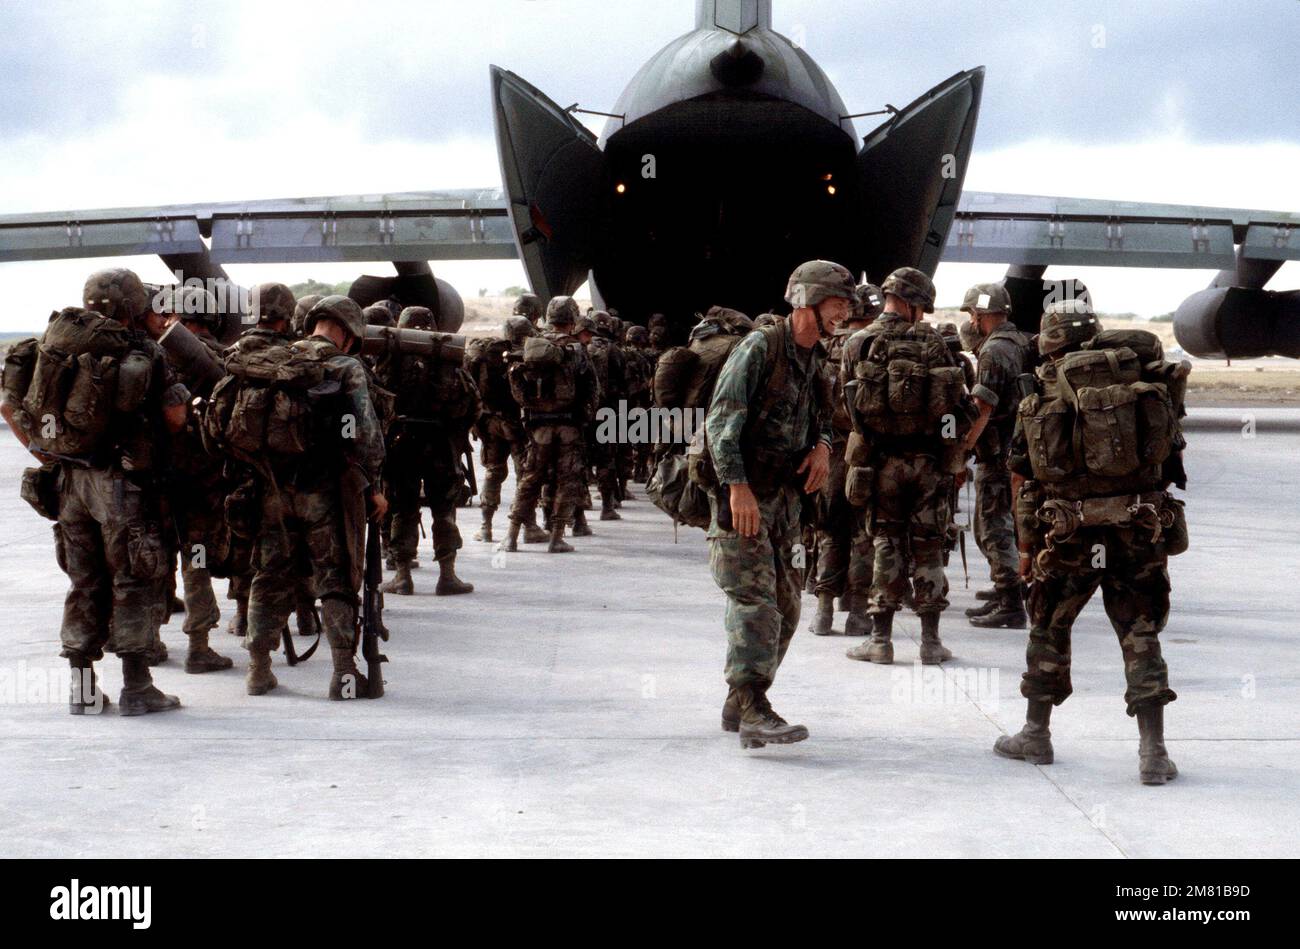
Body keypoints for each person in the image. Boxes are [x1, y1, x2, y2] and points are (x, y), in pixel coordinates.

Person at [995, 299, 1187, 785]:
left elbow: (1022, 474)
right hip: (1137, 529)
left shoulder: (1043, 387)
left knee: (1048, 626)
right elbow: (1170, 459)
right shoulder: (1144, 381)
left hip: (1069, 533)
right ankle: (1153, 752)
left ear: (1051, 339)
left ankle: (1035, 736)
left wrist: (1023, 545)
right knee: (1140, 632)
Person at [1, 268, 189, 715]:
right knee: (133, 579)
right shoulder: (140, 350)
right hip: (122, 487)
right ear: (132, 305)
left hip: (69, 484)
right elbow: (176, 417)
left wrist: (47, 453)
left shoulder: (54, 343)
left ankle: (83, 690)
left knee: (84, 582)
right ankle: (137, 687)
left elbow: (10, 404)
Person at [706, 260, 852, 748]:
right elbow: (721, 421)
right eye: (838, 303)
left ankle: (740, 701)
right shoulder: (759, 348)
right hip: (745, 499)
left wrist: (825, 448)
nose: (845, 312)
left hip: (787, 504)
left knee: (789, 606)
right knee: (755, 604)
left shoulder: (818, 360)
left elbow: (827, 419)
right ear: (808, 299)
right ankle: (753, 706)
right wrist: (736, 487)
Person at [241, 295, 388, 699]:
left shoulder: (277, 360)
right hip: (326, 492)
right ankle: (343, 672)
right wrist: (374, 488)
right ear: (347, 332)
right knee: (336, 577)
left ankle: (258, 670)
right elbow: (367, 437)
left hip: (272, 489)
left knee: (269, 576)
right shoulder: (345, 367)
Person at [843, 267, 968, 666]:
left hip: (881, 465)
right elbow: (954, 410)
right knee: (930, 545)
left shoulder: (859, 341)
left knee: (886, 542)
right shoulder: (936, 343)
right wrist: (947, 447)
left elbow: (847, 409)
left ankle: (880, 640)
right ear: (916, 304)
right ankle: (931, 642)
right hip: (929, 465)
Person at [158, 285, 236, 674]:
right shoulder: (222, 358)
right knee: (198, 558)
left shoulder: (155, 355)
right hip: (204, 482)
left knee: (157, 556)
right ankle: (199, 646)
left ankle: (151, 641)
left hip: (155, 476)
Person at [377, 306, 479, 597]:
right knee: (444, 509)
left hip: (401, 444)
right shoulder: (447, 359)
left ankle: (402, 576)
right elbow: (473, 403)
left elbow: (376, 400)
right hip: (441, 444)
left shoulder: (389, 359)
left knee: (402, 509)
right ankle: (448, 576)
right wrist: (457, 437)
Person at [809, 282, 883, 637]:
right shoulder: (881, 345)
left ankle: (823, 610)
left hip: (831, 449)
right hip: (870, 451)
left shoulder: (823, 347)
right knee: (863, 533)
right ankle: (858, 612)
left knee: (830, 532)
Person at [958, 283, 1034, 629]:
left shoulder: (993, 351)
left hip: (998, 453)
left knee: (992, 528)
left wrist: (960, 450)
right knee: (1002, 523)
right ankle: (1009, 588)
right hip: (1019, 448)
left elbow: (982, 407)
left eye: (972, 313)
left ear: (981, 315)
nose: (971, 319)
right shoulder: (1020, 341)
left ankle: (1010, 601)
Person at [501, 296, 599, 553]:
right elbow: (592, 389)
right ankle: (556, 537)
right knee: (568, 480)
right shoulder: (577, 349)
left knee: (530, 479)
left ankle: (511, 536)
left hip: (538, 426)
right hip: (569, 427)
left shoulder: (533, 346)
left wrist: (530, 410)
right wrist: (585, 418)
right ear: (573, 318)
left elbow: (516, 387)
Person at [466, 316, 547, 545]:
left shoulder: (488, 354)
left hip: (490, 423)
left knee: (493, 471)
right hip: (518, 425)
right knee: (525, 474)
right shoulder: (529, 354)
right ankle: (529, 526)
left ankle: (486, 527)